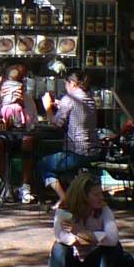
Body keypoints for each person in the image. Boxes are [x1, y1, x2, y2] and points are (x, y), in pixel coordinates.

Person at [49, 171, 134, 267]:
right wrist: (93, 238)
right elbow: (61, 236)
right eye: (96, 194)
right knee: (59, 249)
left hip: (93, 261)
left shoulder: (104, 210)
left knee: (113, 250)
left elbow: (113, 239)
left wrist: (81, 232)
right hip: (72, 261)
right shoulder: (64, 210)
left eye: (101, 193)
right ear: (83, 195)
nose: (101, 197)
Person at [37, 70, 98, 199]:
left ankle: (63, 198)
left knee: (42, 164)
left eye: (66, 84)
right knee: (63, 166)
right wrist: (60, 104)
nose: (65, 87)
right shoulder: (90, 99)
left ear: (72, 83)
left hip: (76, 152)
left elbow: (56, 124)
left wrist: (47, 106)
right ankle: (72, 195)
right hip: (92, 150)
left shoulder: (69, 99)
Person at [0, 64, 39, 204]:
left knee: (28, 141)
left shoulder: (26, 98)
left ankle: (25, 187)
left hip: (20, 135)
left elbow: (33, 122)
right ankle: (7, 184)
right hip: (0, 135)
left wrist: (22, 108)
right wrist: (0, 103)